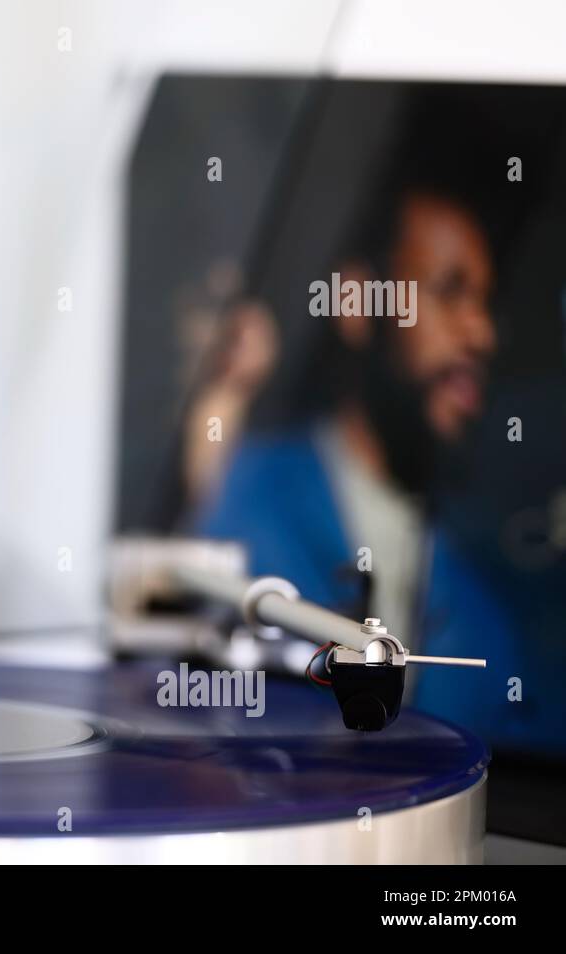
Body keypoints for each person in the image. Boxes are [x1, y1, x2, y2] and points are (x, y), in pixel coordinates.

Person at [188, 183, 532, 744]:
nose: (482, 333)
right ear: (355, 303)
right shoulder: (237, 491)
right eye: (450, 292)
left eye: (486, 303)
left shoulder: (485, 618)